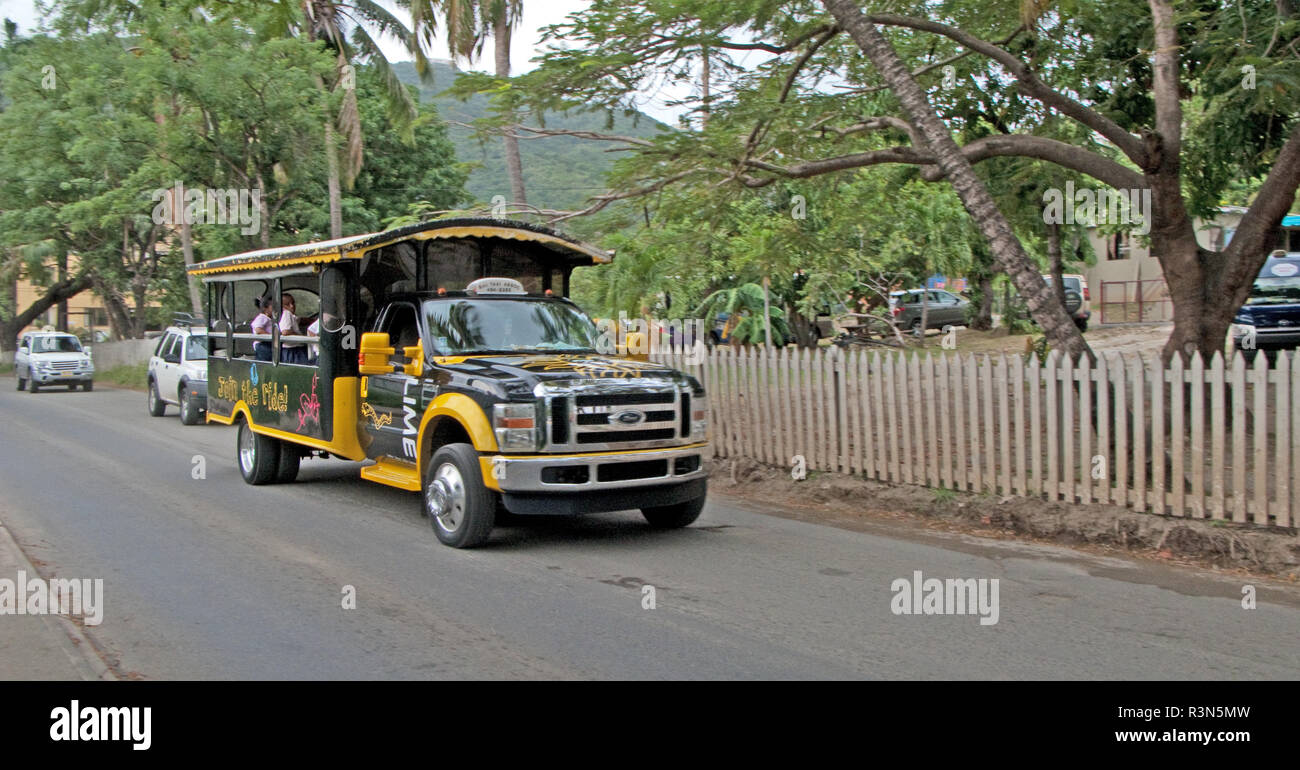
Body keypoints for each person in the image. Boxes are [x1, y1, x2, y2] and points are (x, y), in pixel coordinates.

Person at [279, 292, 308, 364]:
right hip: (293, 350)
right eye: (287, 304)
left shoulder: (291, 315)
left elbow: (300, 320)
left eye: (293, 303)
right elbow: (285, 332)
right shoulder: (286, 313)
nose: (292, 306)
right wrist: (301, 337)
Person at [251, 296, 275, 361]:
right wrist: (272, 336)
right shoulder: (262, 317)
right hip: (262, 344)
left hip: (269, 343)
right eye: (273, 307)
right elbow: (258, 329)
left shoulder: (271, 319)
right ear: (265, 309)